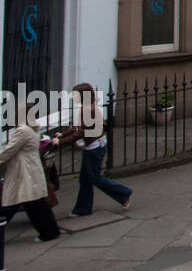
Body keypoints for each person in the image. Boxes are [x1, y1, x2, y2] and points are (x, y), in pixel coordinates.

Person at [53, 83, 132, 216]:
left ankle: (124, 193)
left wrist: (60, 142)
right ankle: (83, 209)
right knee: (85, 179)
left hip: (95, 148)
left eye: (76, 95)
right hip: (93, 146)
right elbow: (77, 128)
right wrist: (62, 136)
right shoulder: (86, 108)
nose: (74, 97)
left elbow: (80, 132)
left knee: (94, 178)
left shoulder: (89, 110)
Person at [0, 102, 61, 242]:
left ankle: (49, 232)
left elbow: (10, 150)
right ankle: (51, 231)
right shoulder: (33, 129)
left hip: (24, 171)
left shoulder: (23, 130)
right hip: (30, 169)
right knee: (35, 203)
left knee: (26, 203)